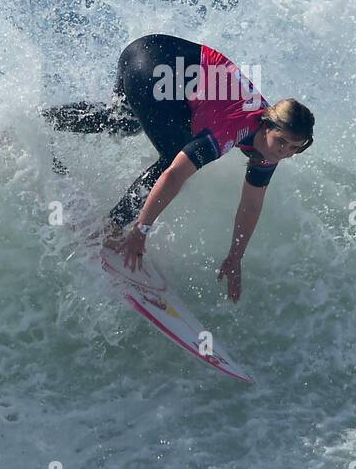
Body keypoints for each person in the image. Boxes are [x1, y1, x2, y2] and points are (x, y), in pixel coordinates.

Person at [41, 34, 314, 302]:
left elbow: (252, 205)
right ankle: (112, 228)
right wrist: (140, 231)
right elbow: (173, 175)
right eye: (282, 143)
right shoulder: (234, 127)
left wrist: (235, 256)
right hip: (155, 67)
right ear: (267, 125)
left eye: (294, 148)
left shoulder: (270, 144)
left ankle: (41, 121)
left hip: (146, 55)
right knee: (173, 156)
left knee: (124, 121)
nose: (285, 152)